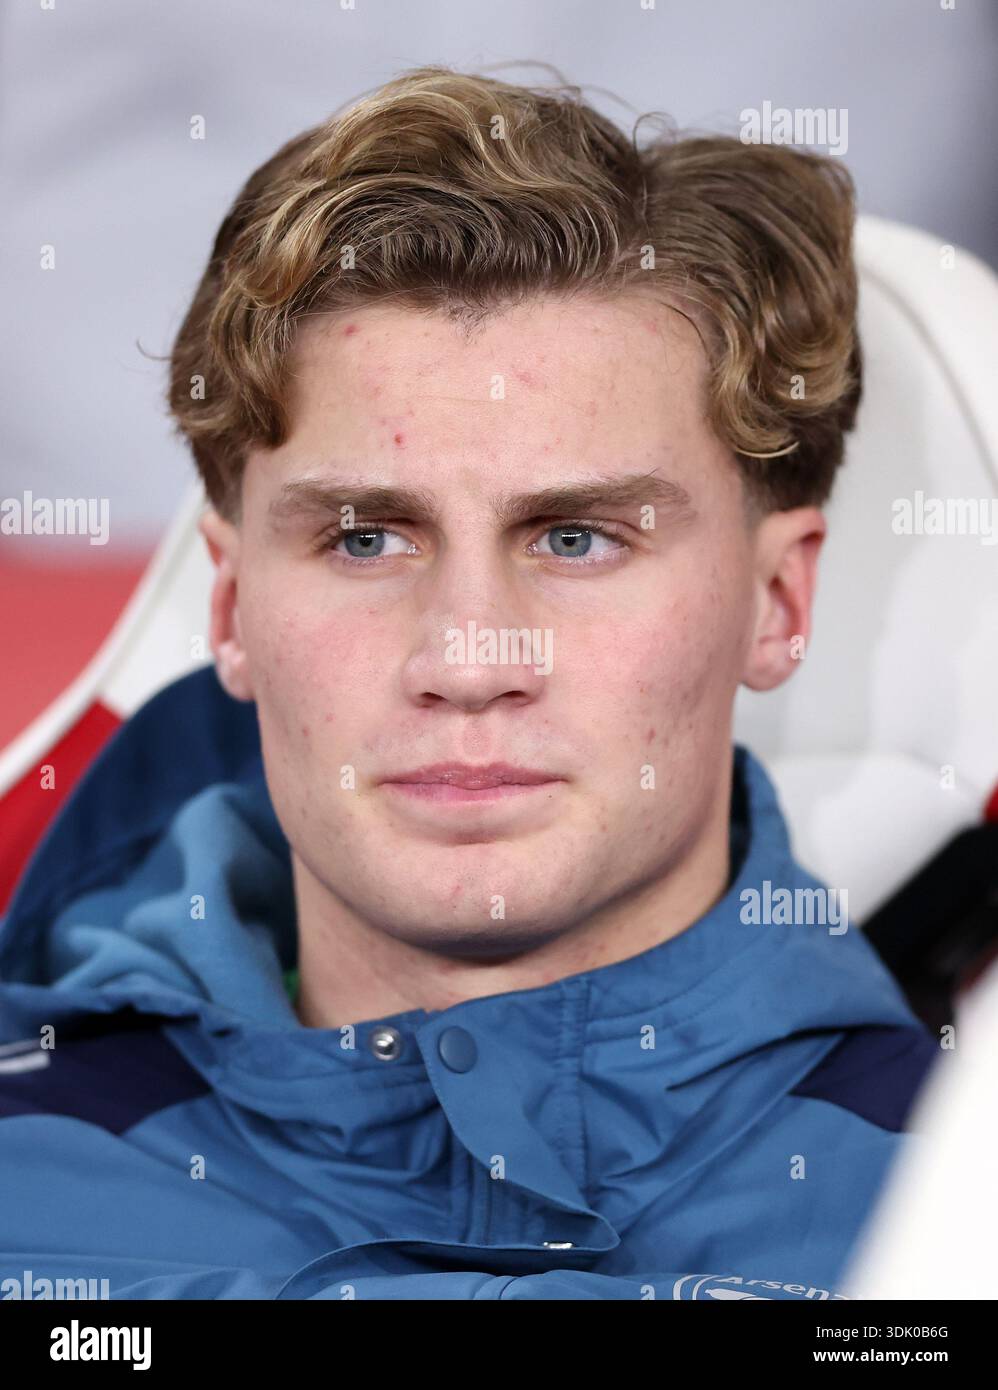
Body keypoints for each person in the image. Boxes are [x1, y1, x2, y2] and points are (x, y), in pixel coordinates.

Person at [0, 66, 937, 1301]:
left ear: (778, 602)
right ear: (230, 605)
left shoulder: (954, 1191)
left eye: (574, 538)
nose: (466, 661)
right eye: (363, 539)